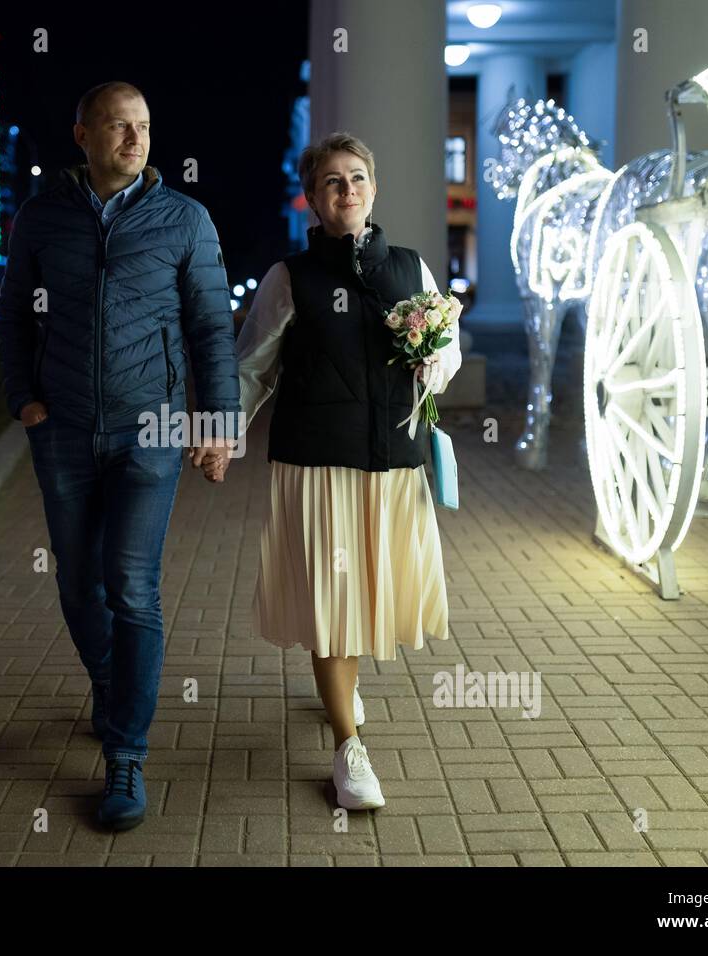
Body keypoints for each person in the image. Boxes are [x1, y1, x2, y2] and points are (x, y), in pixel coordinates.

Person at [0, 81, 238, 830]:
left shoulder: (185, 220)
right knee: (78, 585)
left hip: (153, 429)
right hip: (64, 428)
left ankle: (125, 752)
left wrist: (219, 422)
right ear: (82, 134)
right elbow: (11, 315)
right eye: (117, 126)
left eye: (142, 126)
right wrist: (23, 401)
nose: (134, 139)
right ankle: (112, 687)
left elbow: (211, 329)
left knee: (131, 586)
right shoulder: (41, 217)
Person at [199, 132, 461, 810]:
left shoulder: (410, 267)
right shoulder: (290, 278)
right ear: (312, 199)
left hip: (394, 465)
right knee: (335, 608)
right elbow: (251, 368)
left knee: (372, 597)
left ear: (373, 189)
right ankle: (349, 750)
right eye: (331, 183)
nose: (346, 191)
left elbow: (448, 343)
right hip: (318, 466)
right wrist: (223, 436)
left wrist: (438, 363)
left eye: (357, 179)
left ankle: (342, 693)